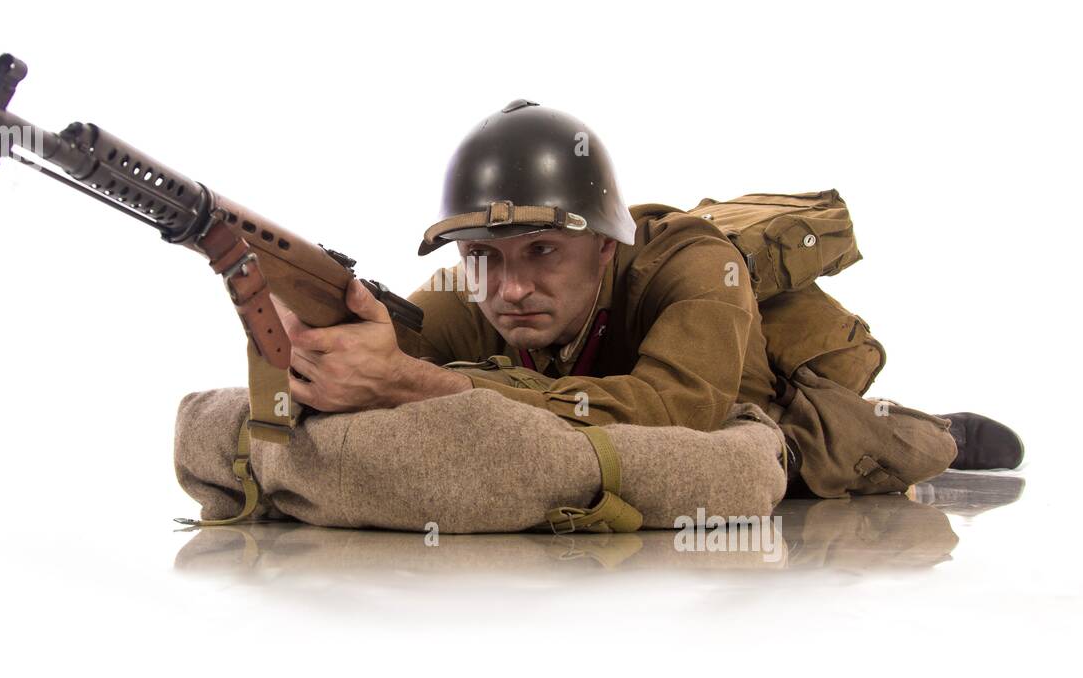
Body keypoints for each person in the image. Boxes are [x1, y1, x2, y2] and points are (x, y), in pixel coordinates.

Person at [271, 100, 1023, 491]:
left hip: (772, 405)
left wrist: (417, 384)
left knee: (864, 452)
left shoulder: (696, 262)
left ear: (607, 243)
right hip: (592, 410)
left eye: (542, 250)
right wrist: (315, 335)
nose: (512, 287)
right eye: (484, 257)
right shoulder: (474, 285)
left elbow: (681, 411)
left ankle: (943, 428)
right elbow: (388, 353)